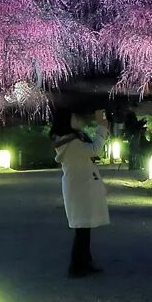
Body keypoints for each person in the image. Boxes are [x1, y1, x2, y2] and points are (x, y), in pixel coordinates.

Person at [53, 106, 109, 276]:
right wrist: (102, 127)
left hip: (80, 186)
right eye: (76, 117)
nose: (80, 121)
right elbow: (95, 150)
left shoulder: (69, 141)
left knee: (84, 227)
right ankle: (77, 266)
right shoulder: (71, 143)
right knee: (82, 228)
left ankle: (84, 262)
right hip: (80, 187)